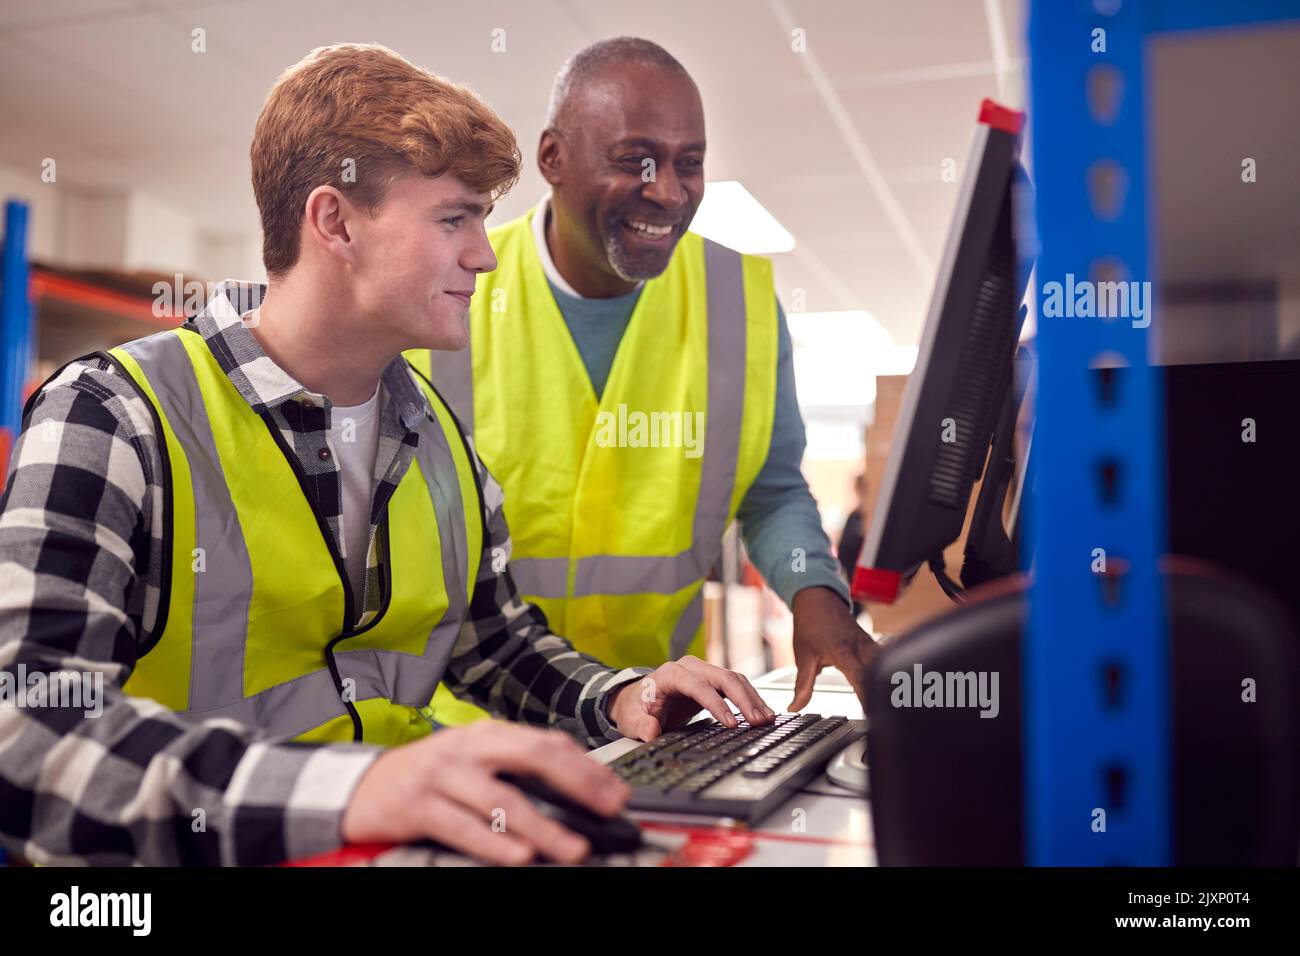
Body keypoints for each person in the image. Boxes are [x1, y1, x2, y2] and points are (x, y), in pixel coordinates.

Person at [0, 43, 774, 868]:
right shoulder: (115, 414)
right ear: (335, 221)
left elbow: (495, 642)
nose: (484, 252)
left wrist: (622, 695)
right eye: (454, 218)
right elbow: (24, 729)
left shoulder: (439, 436)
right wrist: (352, 792)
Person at [411, 37, 878, 722]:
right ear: (553, 159)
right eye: (636, 160)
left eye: (690, 163)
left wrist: (819, 599)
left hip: (659, 719)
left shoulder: (739, 302)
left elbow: (771, 490)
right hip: (474, 728)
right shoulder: (455, 289)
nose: (667, 190)